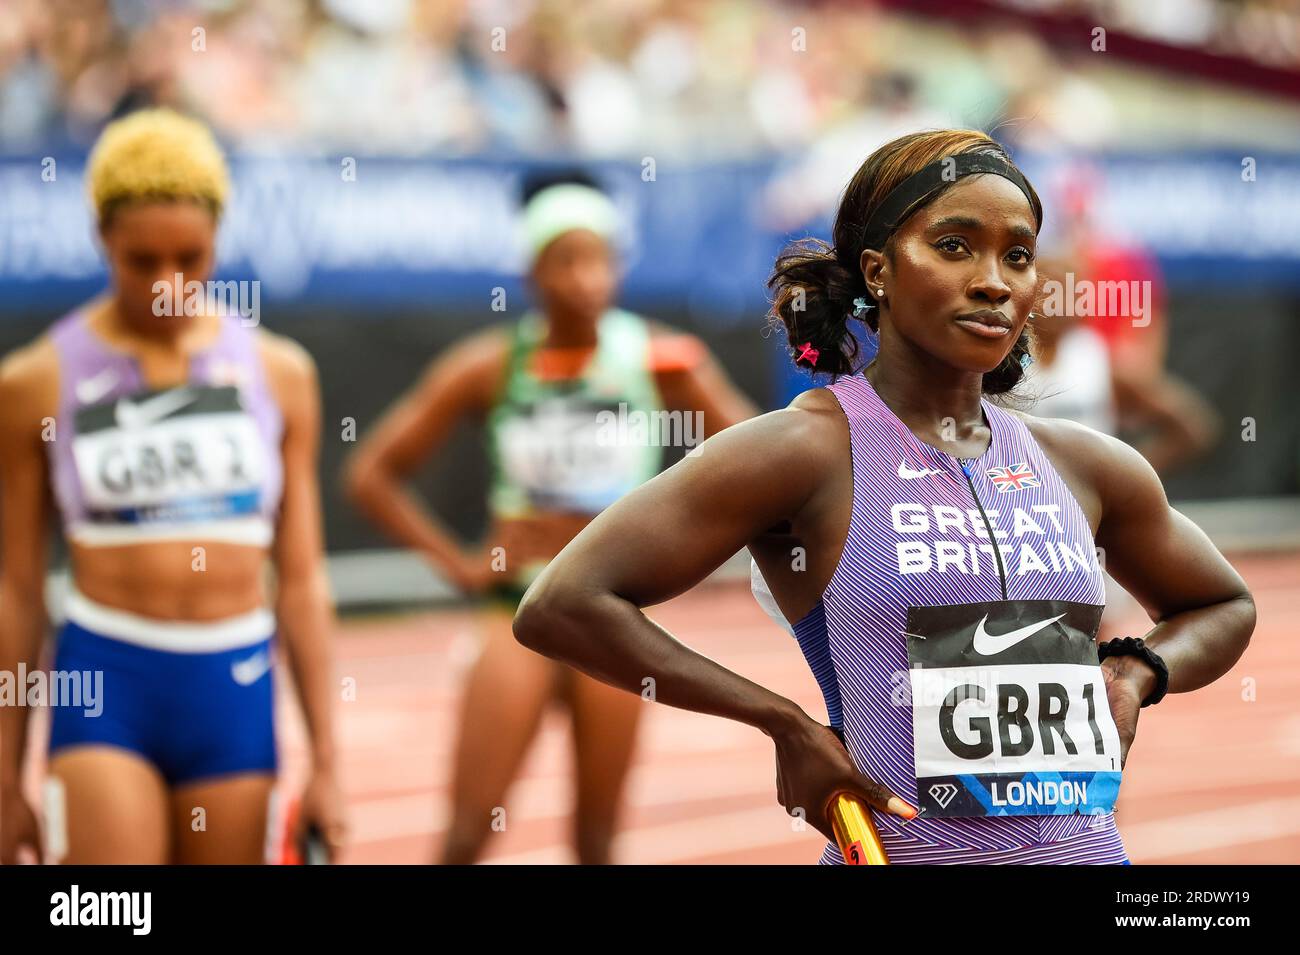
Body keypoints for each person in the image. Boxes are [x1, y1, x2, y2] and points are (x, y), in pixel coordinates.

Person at [512, 130, 1256, 864]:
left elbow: (1224, 603)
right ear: (878, 271)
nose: (994, 279)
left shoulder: (1086, 465)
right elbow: (564, 602)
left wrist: (1134, 673)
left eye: (1018, 255)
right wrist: (782, 722)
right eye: (955, 245)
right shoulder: (803, 450)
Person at [344, 171, 757, 864]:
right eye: (565, 259)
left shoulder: (657, 358)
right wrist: (463, 565)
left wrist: (678, 550)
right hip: (519, 608)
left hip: (617, 614)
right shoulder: (493, 365)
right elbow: (370, 474)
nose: (586, 279)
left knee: (597, 844)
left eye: (600, 259)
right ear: (532, 271)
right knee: (466, 835)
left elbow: (758, 464)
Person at [0, 109, 345, 864]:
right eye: (141, 260)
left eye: (191, 258)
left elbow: (304, 580)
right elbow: (18, 592)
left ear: (221, 235)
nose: (167, 285)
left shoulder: (282, 375)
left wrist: (329, 761)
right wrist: (2, 776)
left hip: (232, 683)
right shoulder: (34, 382)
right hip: (107, 682)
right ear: (101, 239)